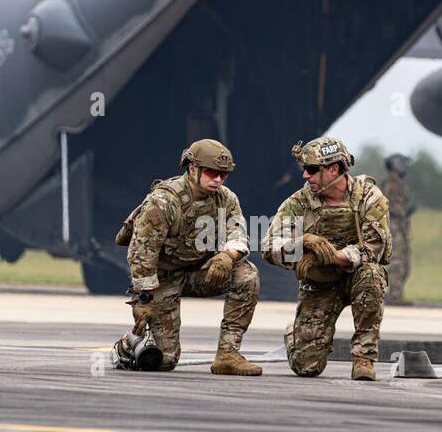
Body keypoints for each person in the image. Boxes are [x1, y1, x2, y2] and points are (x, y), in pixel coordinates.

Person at [114, 139, 261, 375]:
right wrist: (143, 298)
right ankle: (129, 343)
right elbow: (142, 252)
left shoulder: (226, 199)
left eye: (224, 175)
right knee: (164, 360)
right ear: (193, 169)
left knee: (246, 274)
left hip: (199, 271)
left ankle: (228, 354)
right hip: (162, 279)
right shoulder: (163, 202)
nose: (218, 180)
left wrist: (227, 255)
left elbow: (238, 233)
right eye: (213, 173)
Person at [262, 137, 391, 381]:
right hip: (319, 285)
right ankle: (295, 335)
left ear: (333, 169)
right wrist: (302, 243)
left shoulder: (368, 197)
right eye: (305, 169)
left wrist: (330, 257)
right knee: (306, 366)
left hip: (356, 276)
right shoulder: (298, 203)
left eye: (311, 169)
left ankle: (364, 357)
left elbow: (374, 249)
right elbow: (269, 247)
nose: (305, 176)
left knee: (371, 275)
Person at [381, 153, 414, 304]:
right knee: (397, 260)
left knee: (403, 260)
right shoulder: (392, 184)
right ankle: (395, 294)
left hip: (398, 226)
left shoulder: (395, 183)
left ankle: (395, 292)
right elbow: (388, 206)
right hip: (393, 226)